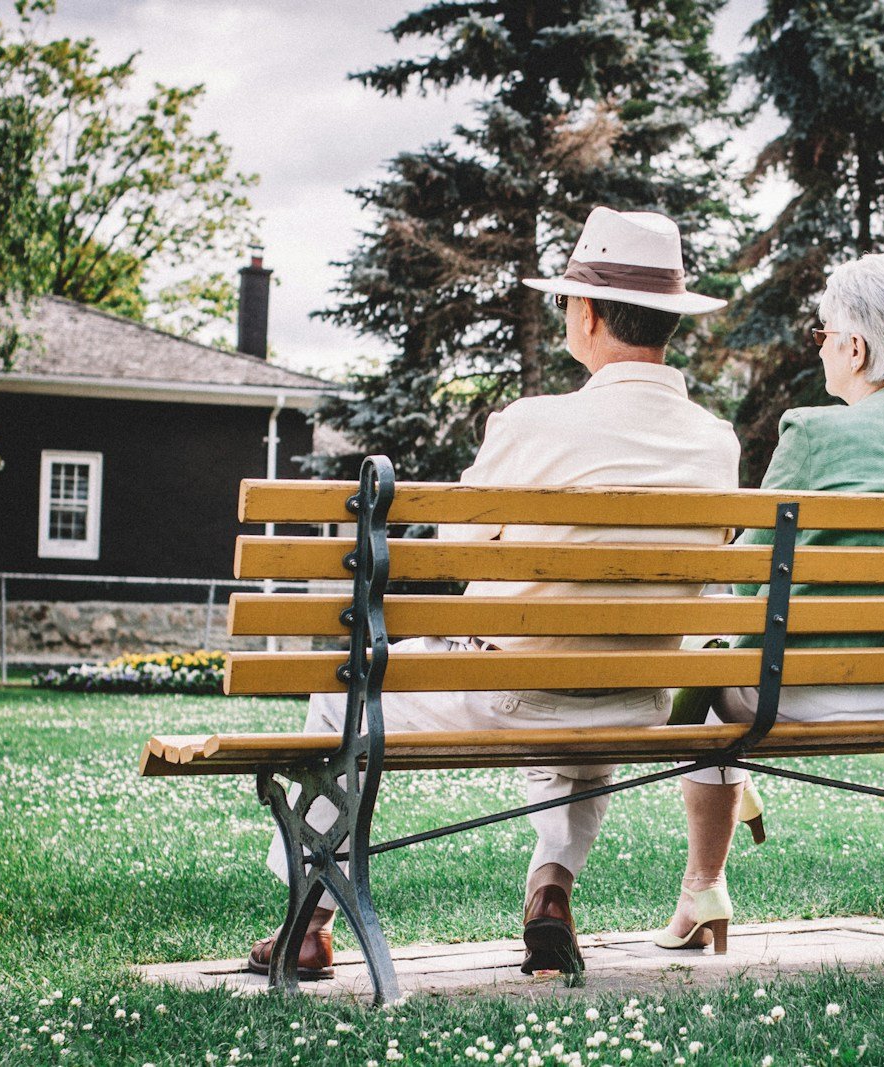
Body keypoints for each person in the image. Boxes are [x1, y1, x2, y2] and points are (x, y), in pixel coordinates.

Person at [249, 206, 739, 979]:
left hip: (515, 691)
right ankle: (550, 888)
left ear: (585, 313)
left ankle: (308, 919)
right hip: (635, 697)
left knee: (339, 697)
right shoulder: (717, 441)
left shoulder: (535, 421)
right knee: (584, 689)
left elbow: (460, 550)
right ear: (669, 322)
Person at [654, 252, 884, 953]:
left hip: (789, 696)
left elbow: (748, 589)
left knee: (706, 670)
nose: (821, 345)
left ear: (856, 347)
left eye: (826, 332)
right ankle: (728, 787)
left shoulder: (809, 433)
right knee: (720, 671)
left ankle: (704, 877)